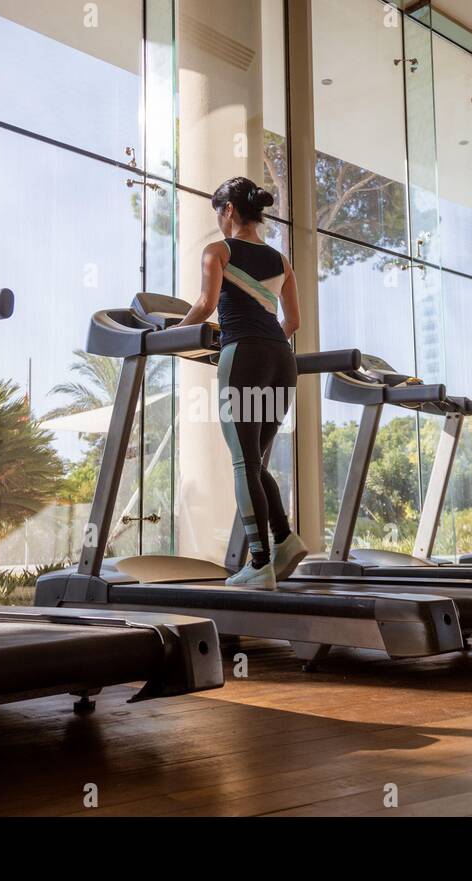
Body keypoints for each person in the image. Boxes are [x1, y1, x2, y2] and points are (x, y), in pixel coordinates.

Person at [177, 177, 307, 589]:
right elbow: (294, 322)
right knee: (254, 459)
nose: (218, 220)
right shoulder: (281, 260)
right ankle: (285, 540)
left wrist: (172, 335)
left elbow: (206, 304)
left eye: (218, 212)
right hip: (281, 361)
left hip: (245, 357)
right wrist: (266, 341)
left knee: (243, 461)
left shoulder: (218, 251)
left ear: (229, 210)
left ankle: (260, 562)